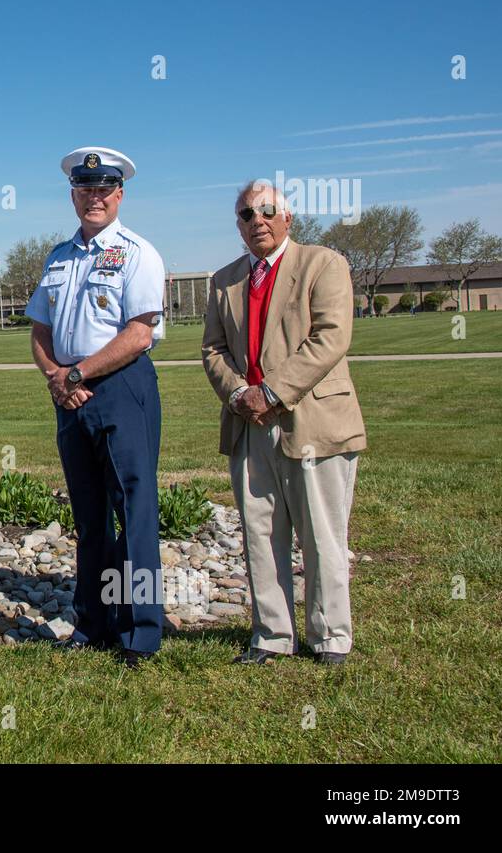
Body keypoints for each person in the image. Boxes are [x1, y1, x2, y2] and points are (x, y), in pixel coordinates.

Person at [201, 180, 366, 666]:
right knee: (259, 532)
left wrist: (271, 391)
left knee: (321, 533)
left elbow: (331, 337)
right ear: (239, 225)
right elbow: (212, 348)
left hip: (313, 420)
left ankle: (329, 635)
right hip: (247, 423)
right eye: (247, 214)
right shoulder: (224, 280)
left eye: (268, 211)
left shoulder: (323, 264)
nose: (258, 221)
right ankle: (271, 634)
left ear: (288, 218)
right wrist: (238, 393)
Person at [24, 147, 166, 668]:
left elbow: (139, 332)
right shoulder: (58, 257)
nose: (94, 197)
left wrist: (79, 373)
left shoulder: (137, 253)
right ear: (73, 195)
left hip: (121, 389)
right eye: (85, 189)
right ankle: (96, 621)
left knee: (135, 510)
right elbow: (39, 329)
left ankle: (141, 629)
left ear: (119, 194)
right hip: (68, 394)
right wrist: (56, 378)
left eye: (104, 189)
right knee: (89, 516)